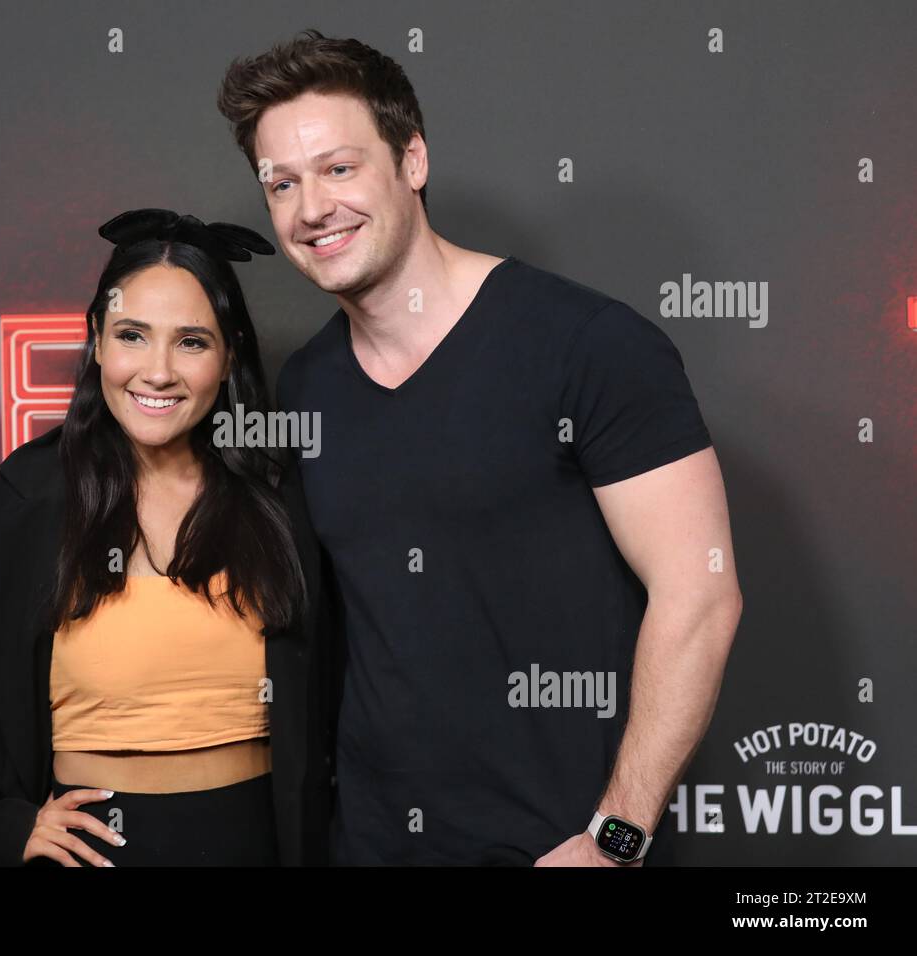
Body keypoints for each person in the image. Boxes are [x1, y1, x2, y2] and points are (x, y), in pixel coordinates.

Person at [216, 30, 743, 866]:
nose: (310, 207)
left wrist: (615, 837)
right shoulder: (308, 387)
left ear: (413, 160)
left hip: (560, 849)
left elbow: (701, 597)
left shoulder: (588, 344)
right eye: (282, 183)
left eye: (339, 168)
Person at [0, 209, 334, 866]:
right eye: (133, 335)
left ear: (229, 355)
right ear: (97, 342)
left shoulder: (281, 496)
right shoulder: (18, 504)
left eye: (191, 341)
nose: (157, 372)